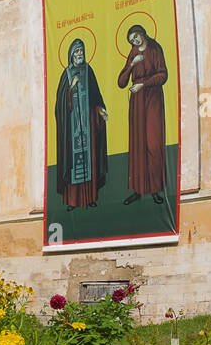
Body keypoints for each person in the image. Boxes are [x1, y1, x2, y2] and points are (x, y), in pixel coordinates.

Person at [53, 37, 108, 210]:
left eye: (81, 51)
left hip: (88, 124)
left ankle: (90, 197)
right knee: (73, 163)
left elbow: (95, 94)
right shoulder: (67, 74)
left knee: (89, 160)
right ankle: (73, 201)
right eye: (76, 52)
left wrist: (100, 109)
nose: (79, 54)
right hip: (72, 127)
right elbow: (59, 104)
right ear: (71, 55)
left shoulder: (88, 70)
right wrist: (71, 87)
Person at [117, 25, 168, 205]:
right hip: (137, 102)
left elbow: (163, 75)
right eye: (132, 40)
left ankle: (155, 189)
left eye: (136, 37)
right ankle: (138, 190)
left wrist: (143, 84)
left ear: (142, 33)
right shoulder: (133, 54)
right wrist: (131, 64)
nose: (135, 41)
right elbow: (121, 82)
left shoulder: (155, 49)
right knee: (138, 145)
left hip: (152, 99)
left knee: (153, 143)